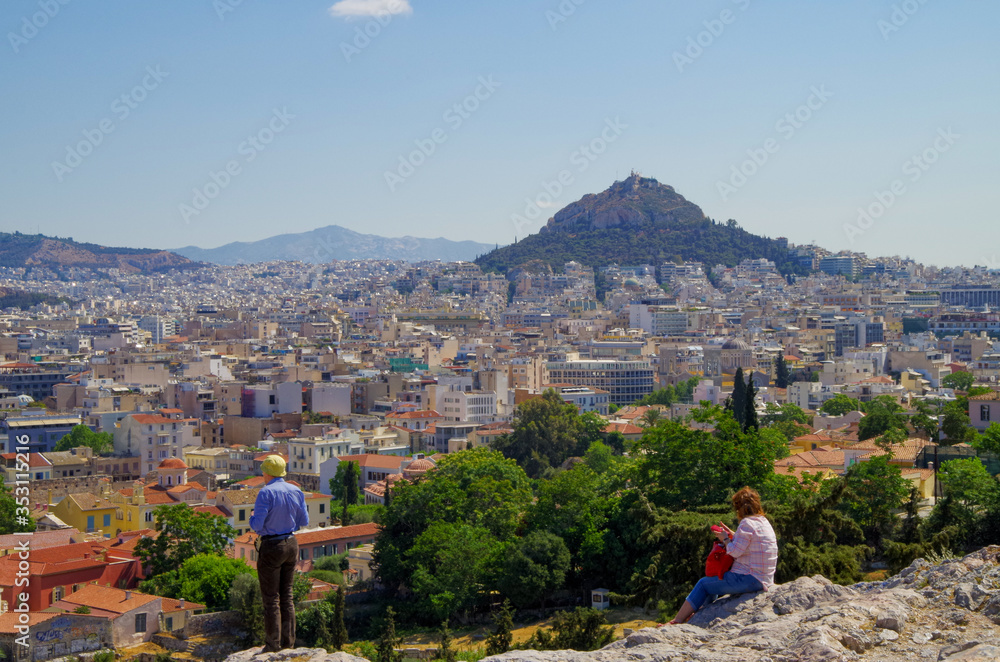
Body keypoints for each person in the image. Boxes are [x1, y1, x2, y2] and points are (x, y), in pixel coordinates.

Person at [668, 486, 778, 625]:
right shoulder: (763, 521)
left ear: (738, 507)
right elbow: (748, 543)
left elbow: (734, 552)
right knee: (711, 583)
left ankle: (677, 620)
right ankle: (697, 614)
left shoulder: (746, 523)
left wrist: (724, 538)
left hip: (750, 578)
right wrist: (733, 534)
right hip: (765, 578)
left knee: (703, 584)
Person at [249, 455, 309, 652]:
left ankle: (272, 644)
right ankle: (288, 643)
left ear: (266, 472)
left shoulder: (265, 493)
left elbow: (257, 526)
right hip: (291, 543)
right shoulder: (296, 490)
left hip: (272, 546)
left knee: (271, 598)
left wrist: (251, 518)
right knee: (287, 596)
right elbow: (304, 520)